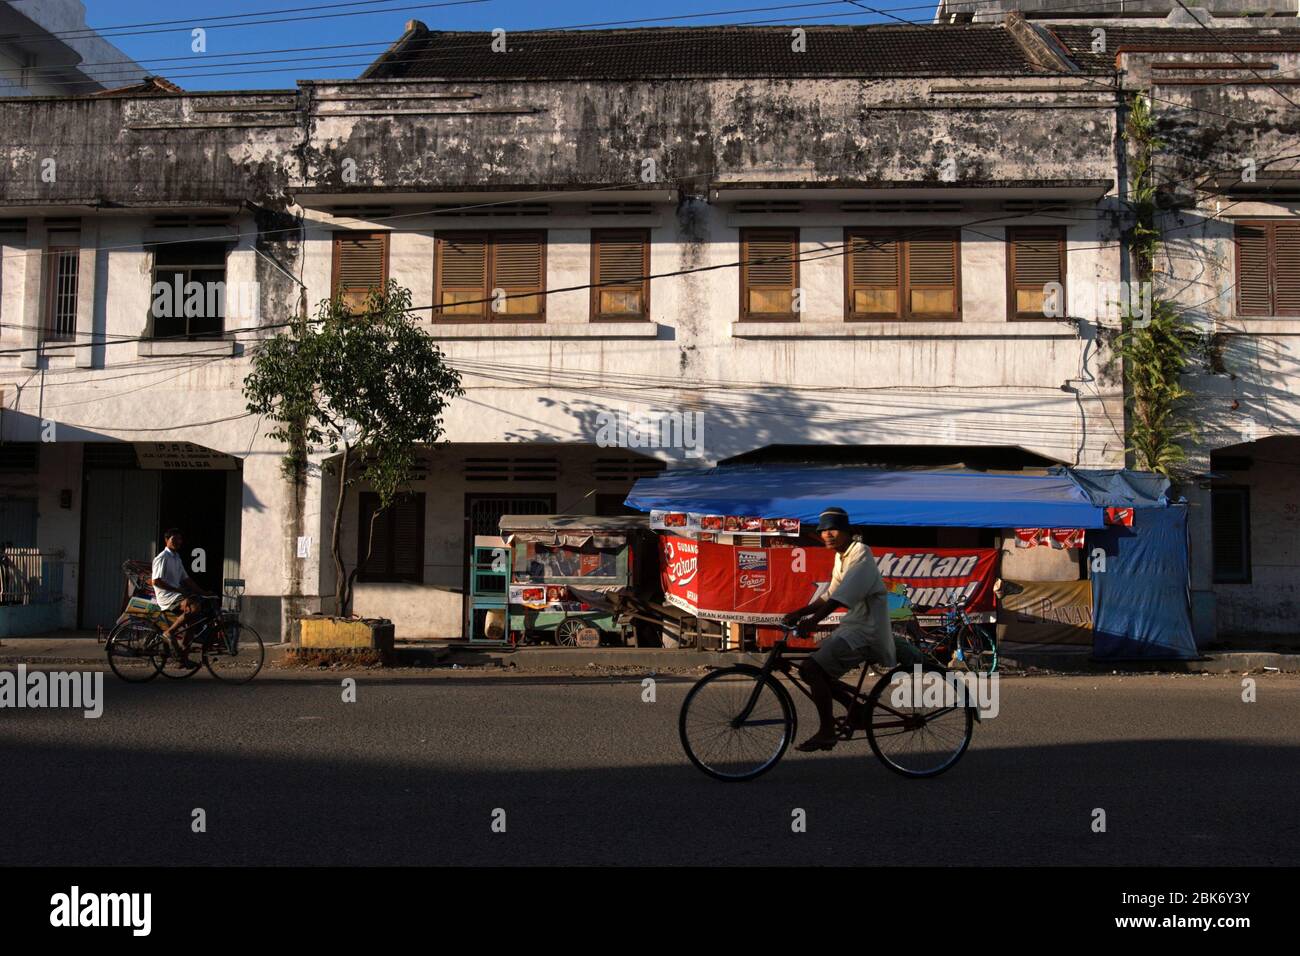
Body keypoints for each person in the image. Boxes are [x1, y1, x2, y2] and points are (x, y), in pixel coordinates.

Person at [781, 507, 896, 752]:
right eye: (823, 531)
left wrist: (813, 622)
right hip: (853, 627)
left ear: (847, 531)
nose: (827, 535)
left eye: (833, 529)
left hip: (867, 631)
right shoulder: (840, 556)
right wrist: (801, 612)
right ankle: (858, 710)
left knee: (812, 668)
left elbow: (841, 598)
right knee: (811, 671)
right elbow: (831, 594)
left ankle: (826, 732)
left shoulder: (861, 553)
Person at [151, 528, 210, 666]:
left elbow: (186, 579)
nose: (178, 542)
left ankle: (183, 657)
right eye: (174, 539)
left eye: (179, 539)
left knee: (193, 622)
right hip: (167, 596)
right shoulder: (162, 557)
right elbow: (156, 581)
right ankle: (169, 633)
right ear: (167, 540)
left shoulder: (176, 557)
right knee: (194, 607)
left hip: (176, 594)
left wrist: (203, 592)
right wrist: (177, 590)